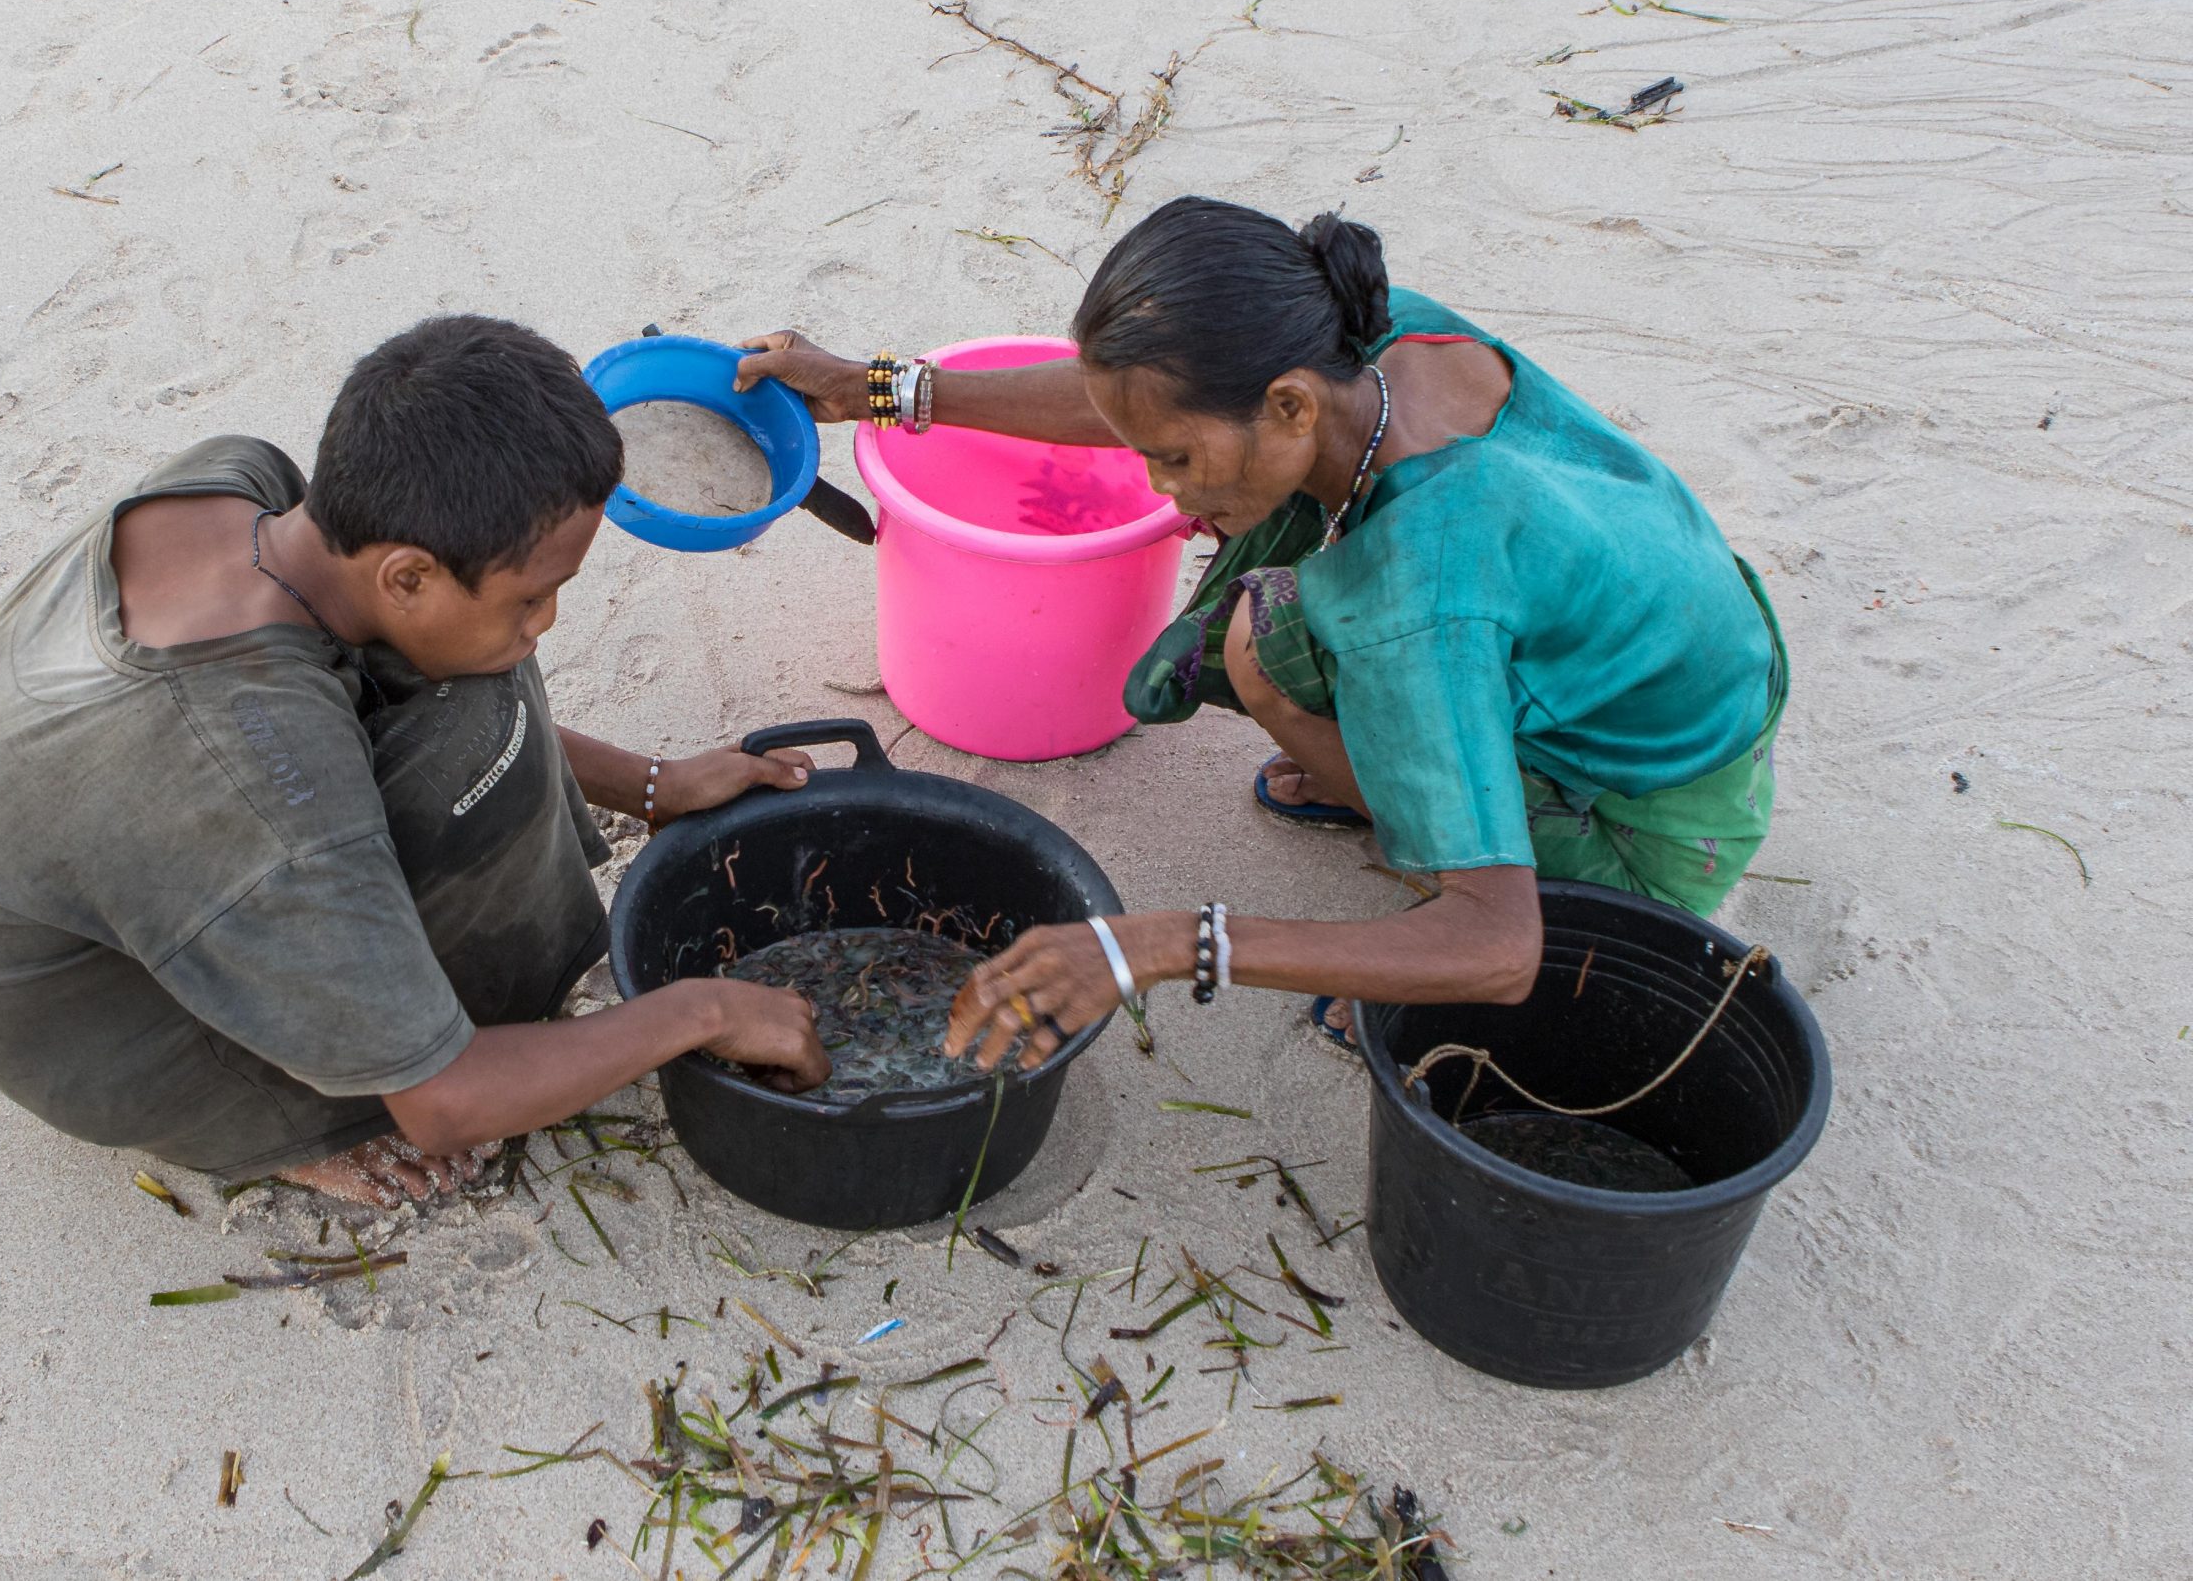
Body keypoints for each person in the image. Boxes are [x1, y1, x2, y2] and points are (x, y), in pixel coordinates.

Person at [734, 196, 1786, 1068]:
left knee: (1266, 657)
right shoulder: (1366, 339)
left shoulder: (1416, 592)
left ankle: (1466, 861)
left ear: (1288, 408)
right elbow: (1134, 400)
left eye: (1177, 461)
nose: (1162, 488)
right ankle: (1406, 783)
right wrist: (879, 388)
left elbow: (1500, 946)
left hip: (1650, 829)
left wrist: (1159, 944)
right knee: (1265, 630)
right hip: (1679, 660)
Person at [0, 315, 830, 1207]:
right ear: (407, 574)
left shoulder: (245, 488)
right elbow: (446, 1102)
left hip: (52, 855)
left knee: (475, 665)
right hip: (94, 1020)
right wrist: (703, 1012)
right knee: (478, 731)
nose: (547, 621)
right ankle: (297, 1117)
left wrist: (653, 782)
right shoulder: (261, 795)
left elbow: (372, 671)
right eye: (534, 597)